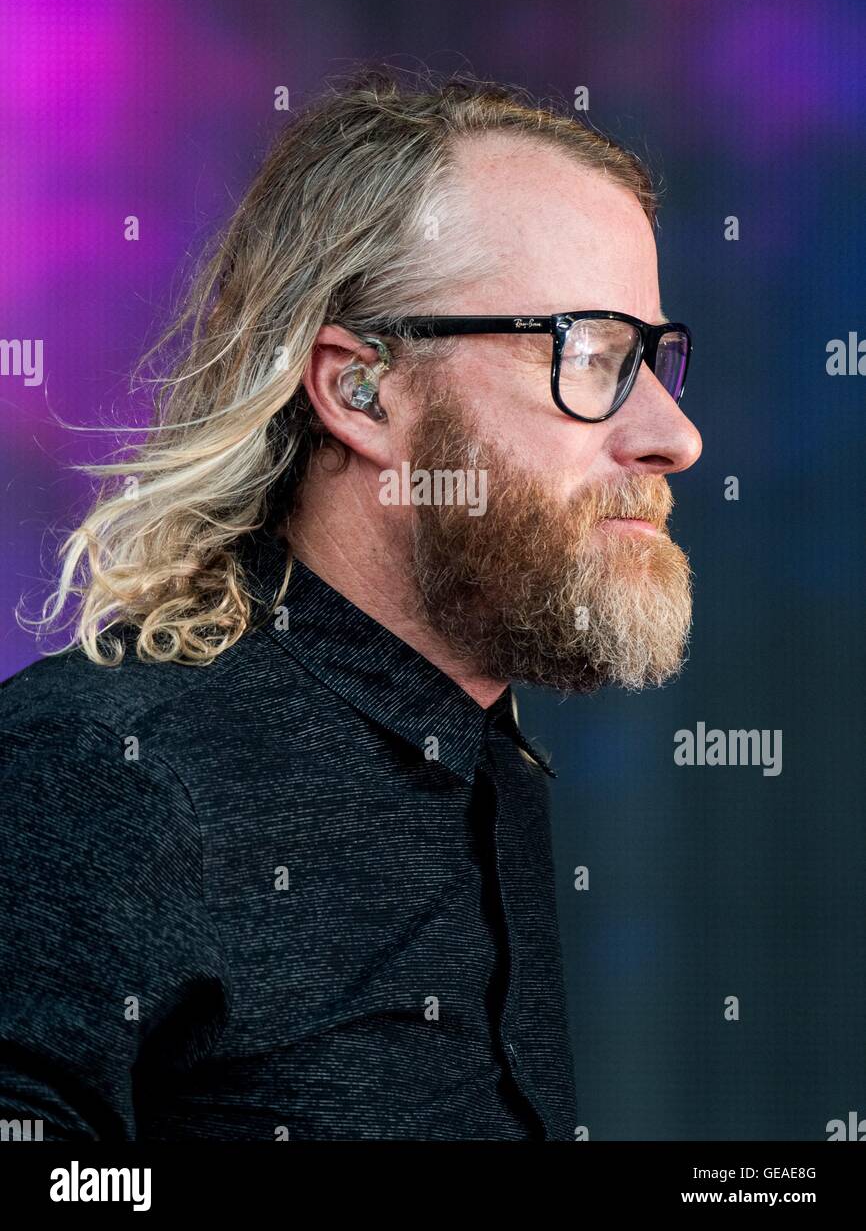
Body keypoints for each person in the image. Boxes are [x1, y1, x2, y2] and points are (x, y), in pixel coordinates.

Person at [0, 67, 702, 1140]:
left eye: (650, 358)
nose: (670, 436)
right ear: (359, 388)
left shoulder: (488, 766)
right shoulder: (97, 770)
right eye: (588, 354)